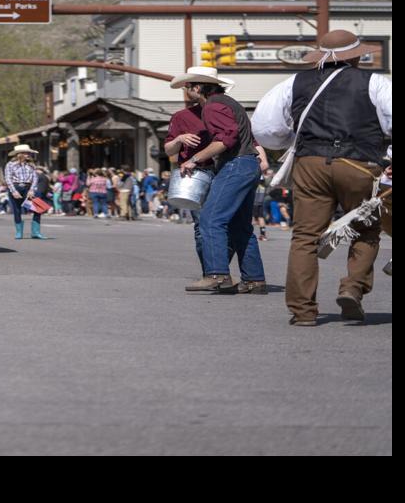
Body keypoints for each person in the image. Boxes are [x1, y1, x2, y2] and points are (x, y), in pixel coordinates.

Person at [253, 30, 391, 325]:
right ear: (356, 55)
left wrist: (292, 138)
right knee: (365, 228)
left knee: (305, 236)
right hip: (360, 164)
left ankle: (303, 311)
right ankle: (352, 287)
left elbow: (265, 128)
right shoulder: (375, 82)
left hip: (310, 163)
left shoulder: (293, 83)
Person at [166, 67, 266, 295]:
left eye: (189, 86)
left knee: (211, 219)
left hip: (236, 165)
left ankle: (216, 274)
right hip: (248, 164)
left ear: (198, 87)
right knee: (241, 226)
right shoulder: (228, 102)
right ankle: (254, 279)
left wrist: (195, 158)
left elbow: (225, 139)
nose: (187, 91)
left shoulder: (212, 106)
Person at [5, 144, 46, 240]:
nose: (28, 154)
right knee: (17, 210)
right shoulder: (10, 165)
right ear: (20, 154)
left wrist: (31, 190)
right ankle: (19, 232)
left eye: (28, 153)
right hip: (16, 187)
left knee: (37, 208)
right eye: (26, 153)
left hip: (28, 188)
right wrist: (14, 191)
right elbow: (8, 178)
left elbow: (35, 178)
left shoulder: (31, 165)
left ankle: (36, 232)